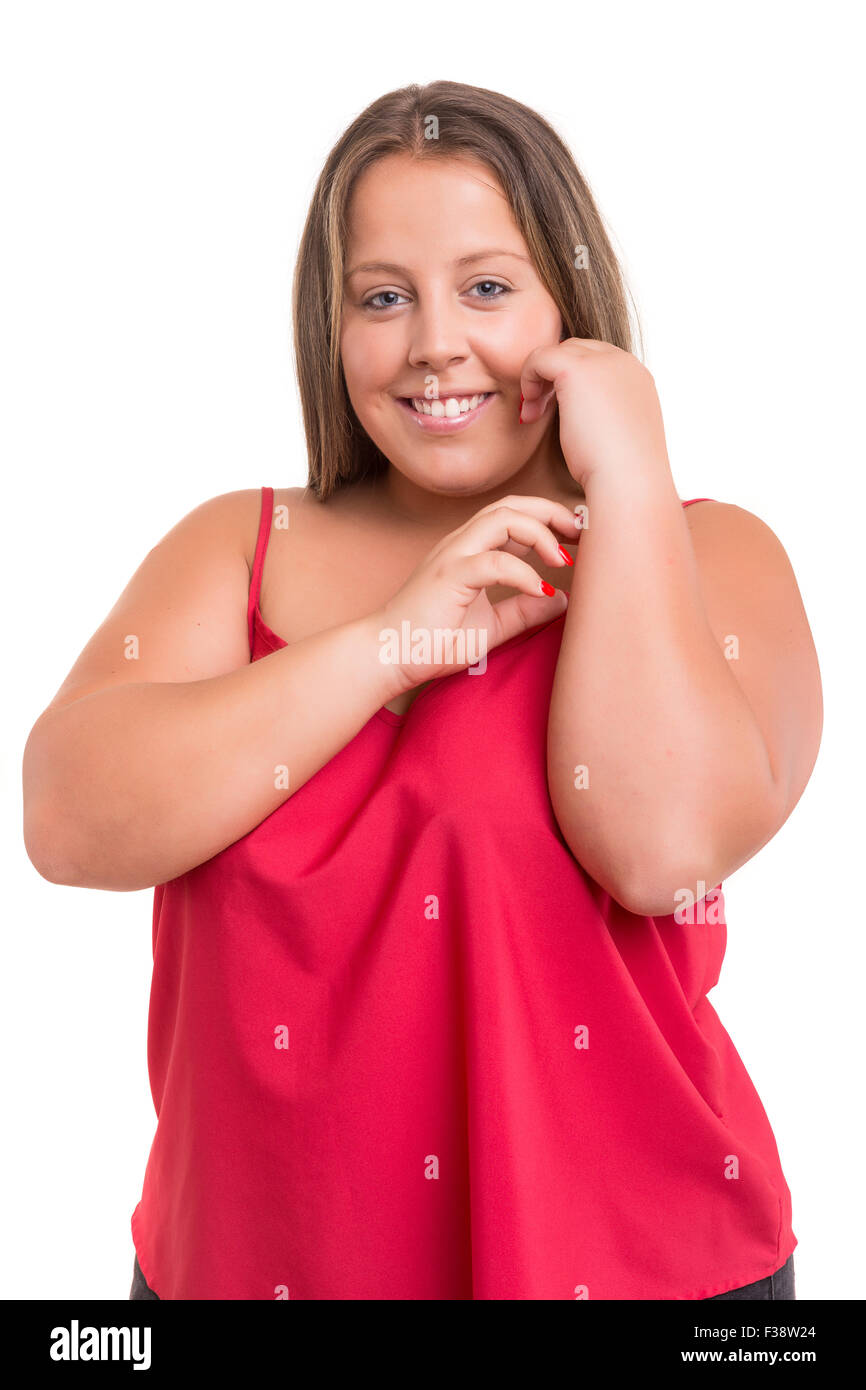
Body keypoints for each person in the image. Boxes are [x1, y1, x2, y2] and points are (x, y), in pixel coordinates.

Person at [22, 80, 822, 1301]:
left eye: (487, 288)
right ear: (329, 331)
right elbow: (68, 823)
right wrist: (388, 646)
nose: (433, 342)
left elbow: (660, 849)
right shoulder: (235, 545)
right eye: (381, 297)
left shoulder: (710, 557)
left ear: (572, 307)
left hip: (652, 1280)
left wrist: (630, 473)